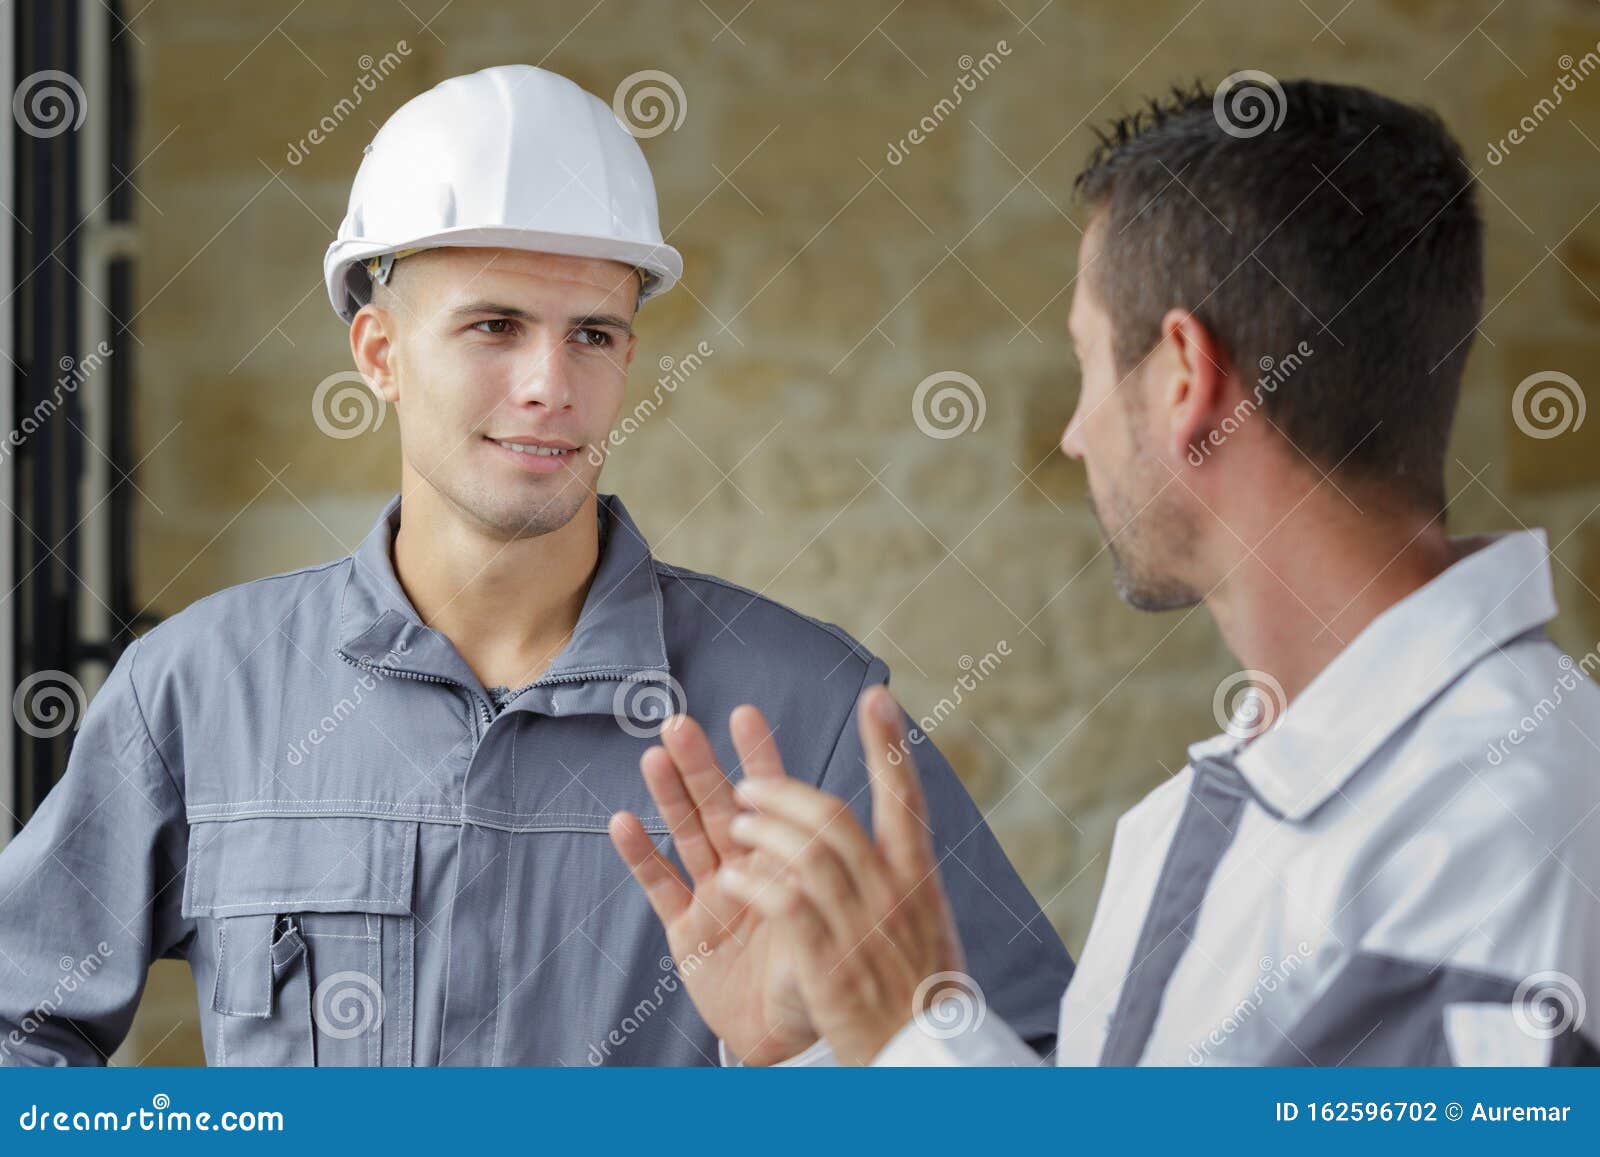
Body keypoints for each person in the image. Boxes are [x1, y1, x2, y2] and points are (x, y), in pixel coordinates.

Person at [0, 65, 1073, 1067]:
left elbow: (1036, 1080)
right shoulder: (195, 693)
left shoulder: (813, 712)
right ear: (379, 354)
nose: (548, 384)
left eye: (593, 335)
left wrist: (800, 1074)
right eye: (494, 325)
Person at [613, 78, 1600, 1066]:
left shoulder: (1494, 845)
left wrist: (912, 1041)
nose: (1074, 434)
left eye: (1087, 362)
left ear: (1183, 378)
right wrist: (824, 1044)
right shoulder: (1201, 809)